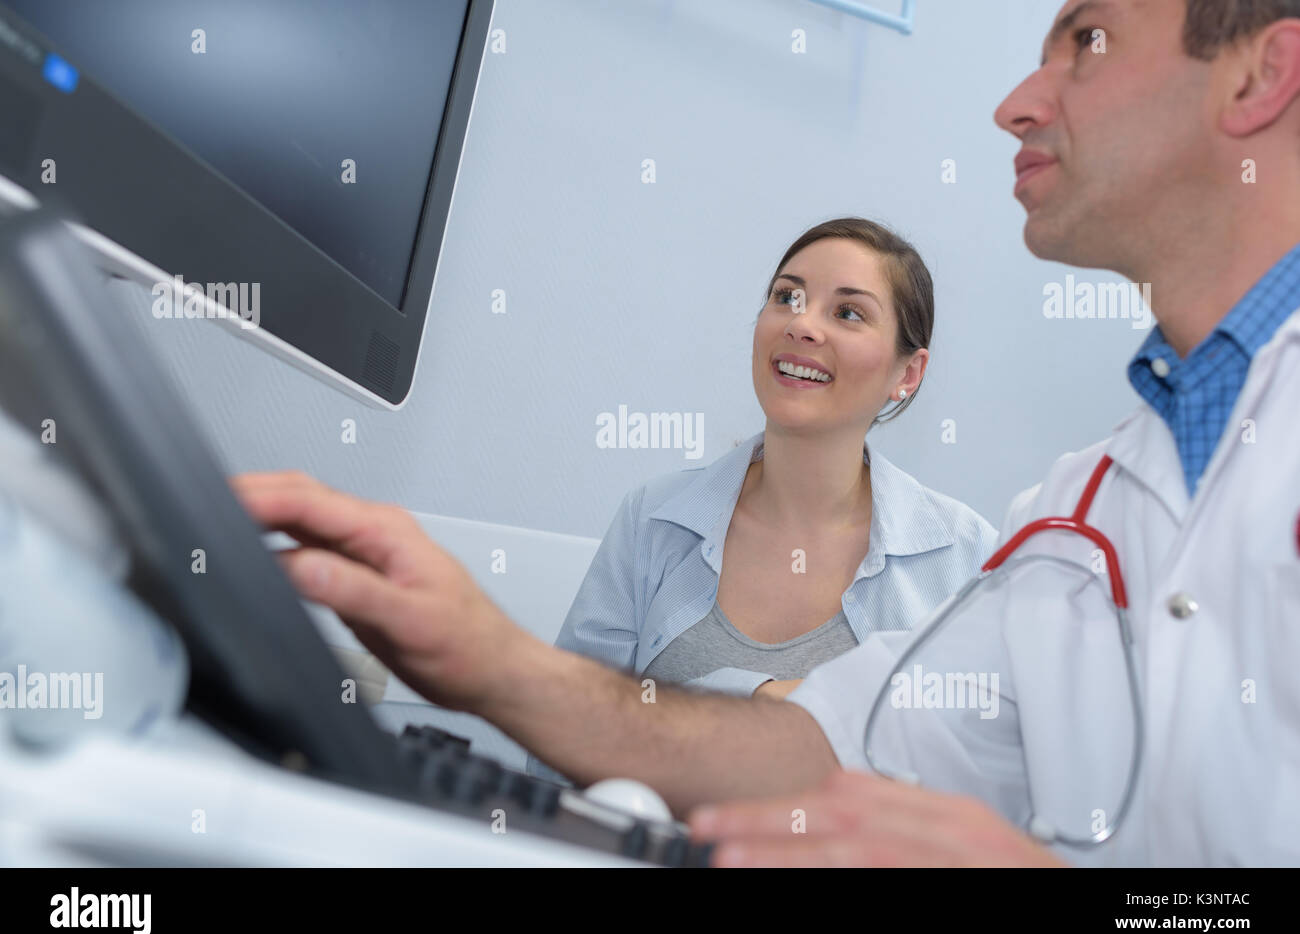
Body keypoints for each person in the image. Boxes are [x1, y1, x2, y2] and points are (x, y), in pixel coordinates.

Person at [232, 0, 1300, 866]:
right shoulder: (1069, 520)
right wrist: (487, 658)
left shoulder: (985, 535)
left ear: (1259, 75)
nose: (1016, 105)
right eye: (788, 297)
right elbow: (824, 749)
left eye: (1086, 41)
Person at [542, 217, 996, 707]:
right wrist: (767, 702)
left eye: (848, 313)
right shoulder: (652, 517)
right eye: (787, 298)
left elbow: (974, 762)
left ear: (908, 372)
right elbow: (566, 730)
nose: (801, 325)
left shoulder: (967, 558)